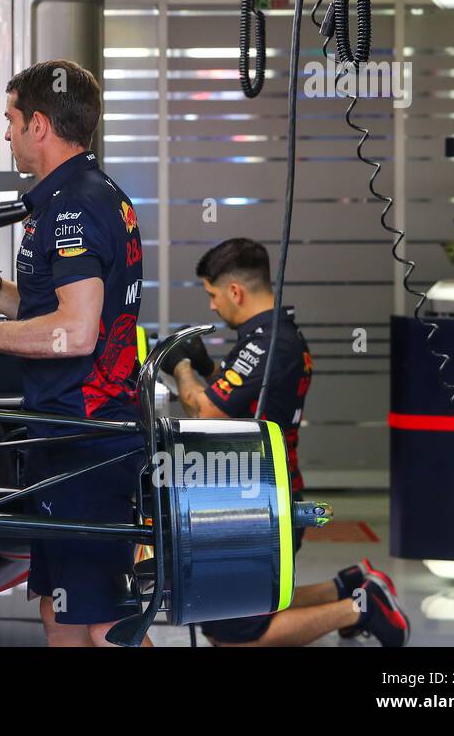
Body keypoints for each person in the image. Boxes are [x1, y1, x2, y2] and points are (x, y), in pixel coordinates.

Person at [0, 59, 149, 647]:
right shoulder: (81, 195)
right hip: (68, 432)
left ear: (39, 125)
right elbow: (60, 308)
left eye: (11, 119)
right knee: (59, 612)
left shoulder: (75, 207)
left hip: (87, 440)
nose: (7, 133)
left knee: (105, 624)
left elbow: (77, 332)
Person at [165, 237, 409, 646]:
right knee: (240, 606)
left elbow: (206, 412)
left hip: (263, 505)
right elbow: (241, 400)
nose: (211, 306)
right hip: (266, 495)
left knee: (233, 635)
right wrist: (207, 366)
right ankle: (347, 586)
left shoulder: (269, 344)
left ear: (235, 291)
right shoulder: (270, 337)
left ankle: (363, 607)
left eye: (212, 295)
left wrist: (180, 365)